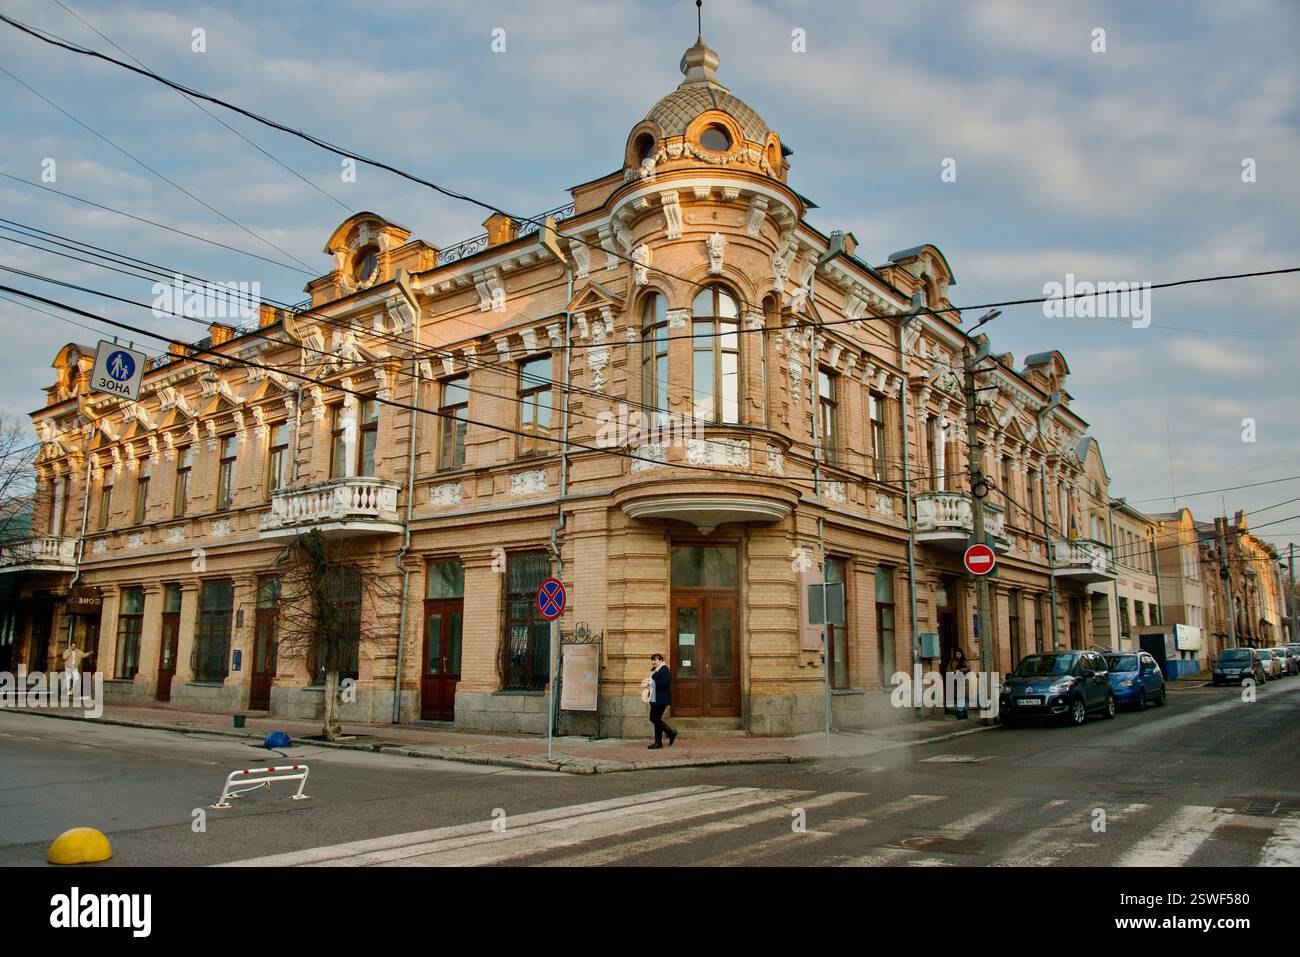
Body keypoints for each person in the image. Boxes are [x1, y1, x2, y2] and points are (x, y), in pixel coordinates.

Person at [647, 653, 677, 749]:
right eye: (652, 660)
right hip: (655, 699)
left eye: (655, 660)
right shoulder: (656, 670)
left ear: (660, 660)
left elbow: (665, 683)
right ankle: (670, 733)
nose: (653, 662)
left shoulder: (664, 670)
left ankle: (659, 742)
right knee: (654, 719)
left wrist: (652, 683)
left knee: (655, 719)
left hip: (661, 699)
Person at [948, 647, 972, 719]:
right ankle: (964, 713)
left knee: (961, 697)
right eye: (956, 654)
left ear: (961, 654)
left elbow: (969, 668)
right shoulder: (952, 661)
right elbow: (948, 669)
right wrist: (952, 672)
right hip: (955, 681)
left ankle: (960, 712)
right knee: (960, 697)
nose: (957, 655)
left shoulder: (964, 661)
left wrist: (960, 670)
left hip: (963, 681)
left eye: (959, 654)